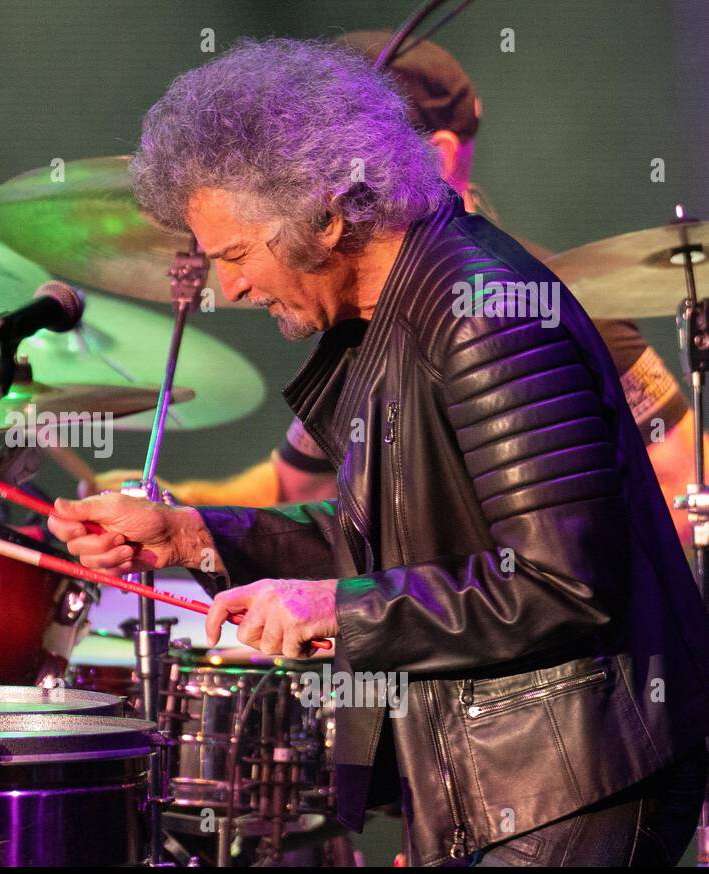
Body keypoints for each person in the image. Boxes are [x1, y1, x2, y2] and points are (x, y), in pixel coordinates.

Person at [51, 37, 709, 867]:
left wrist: (334, 607)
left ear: (327, 216)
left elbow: (564, 582)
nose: (232, 291)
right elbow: (399, 540)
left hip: (574, 784)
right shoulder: (392, 318)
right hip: (525, 782)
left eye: (236, 256)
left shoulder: (482, 314)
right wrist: (191, 534)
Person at [90, 30, 702, 550]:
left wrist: (346, 611)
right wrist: (187, 524)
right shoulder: (363, 314)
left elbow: (580, 560)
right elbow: (309, 492)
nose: (232, 285)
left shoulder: (504, 313)